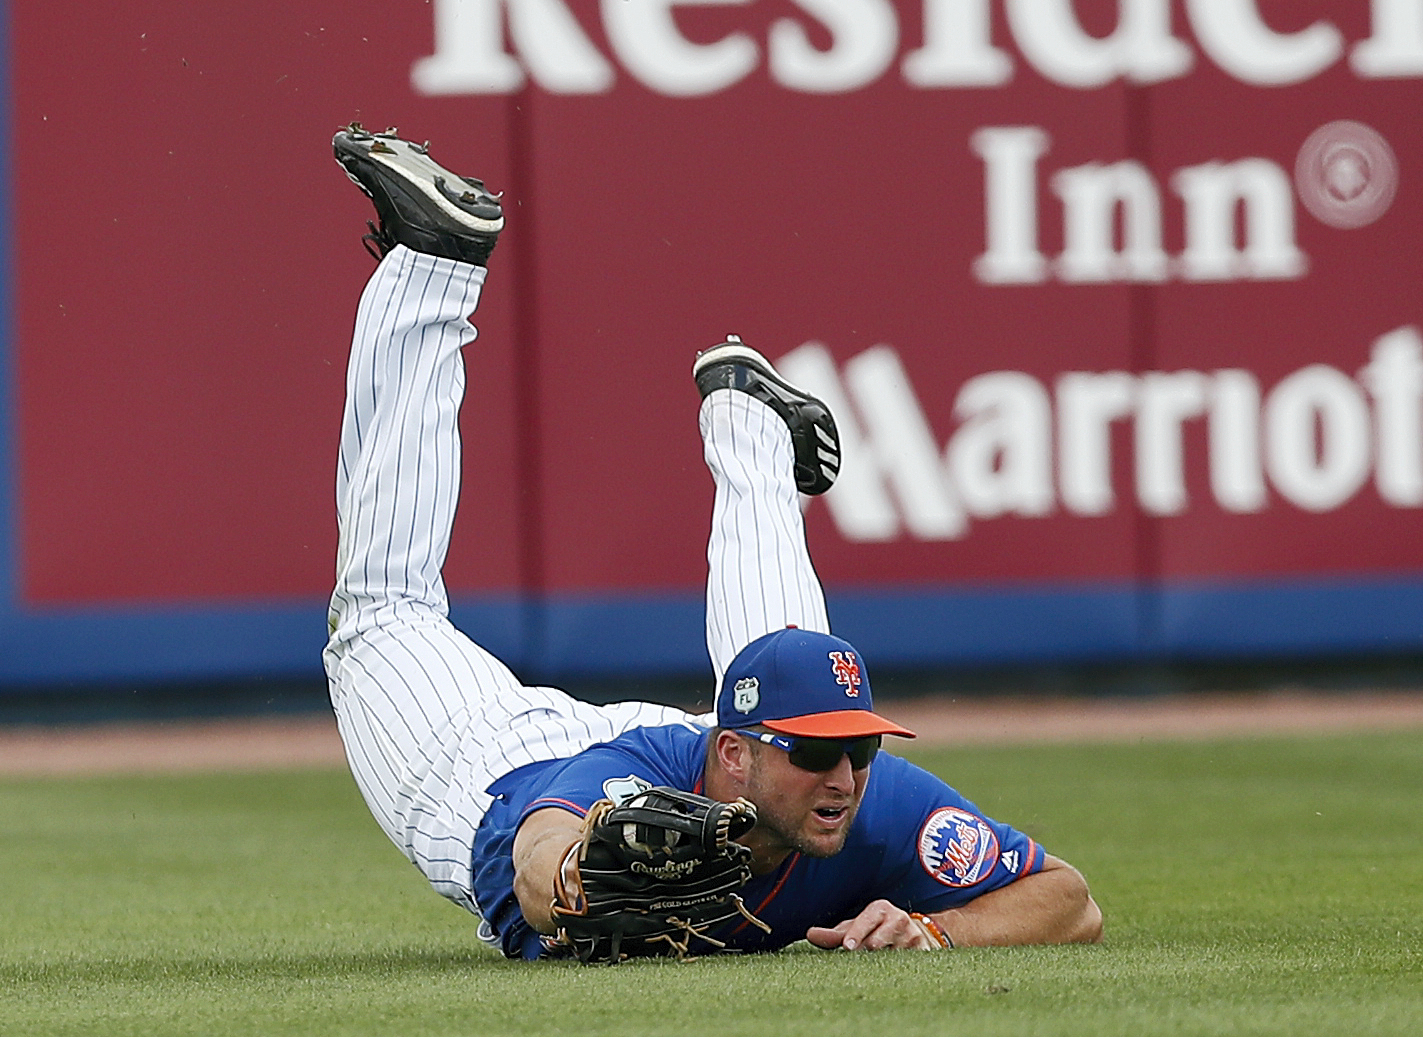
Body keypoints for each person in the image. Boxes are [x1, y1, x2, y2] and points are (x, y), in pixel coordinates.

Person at [326, 125, 1102, 959]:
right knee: (380, 613)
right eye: (818, 749)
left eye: (858, 744)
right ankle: (432, 268)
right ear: (731, 753)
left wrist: (935, 926)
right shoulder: (634, 775)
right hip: (494, 768)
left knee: (774, 662)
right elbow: (534, 861)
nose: (843, 774)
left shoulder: (862, 802)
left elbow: (1069, 899)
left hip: (721, 766)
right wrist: (579, 881)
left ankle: (751, 422)